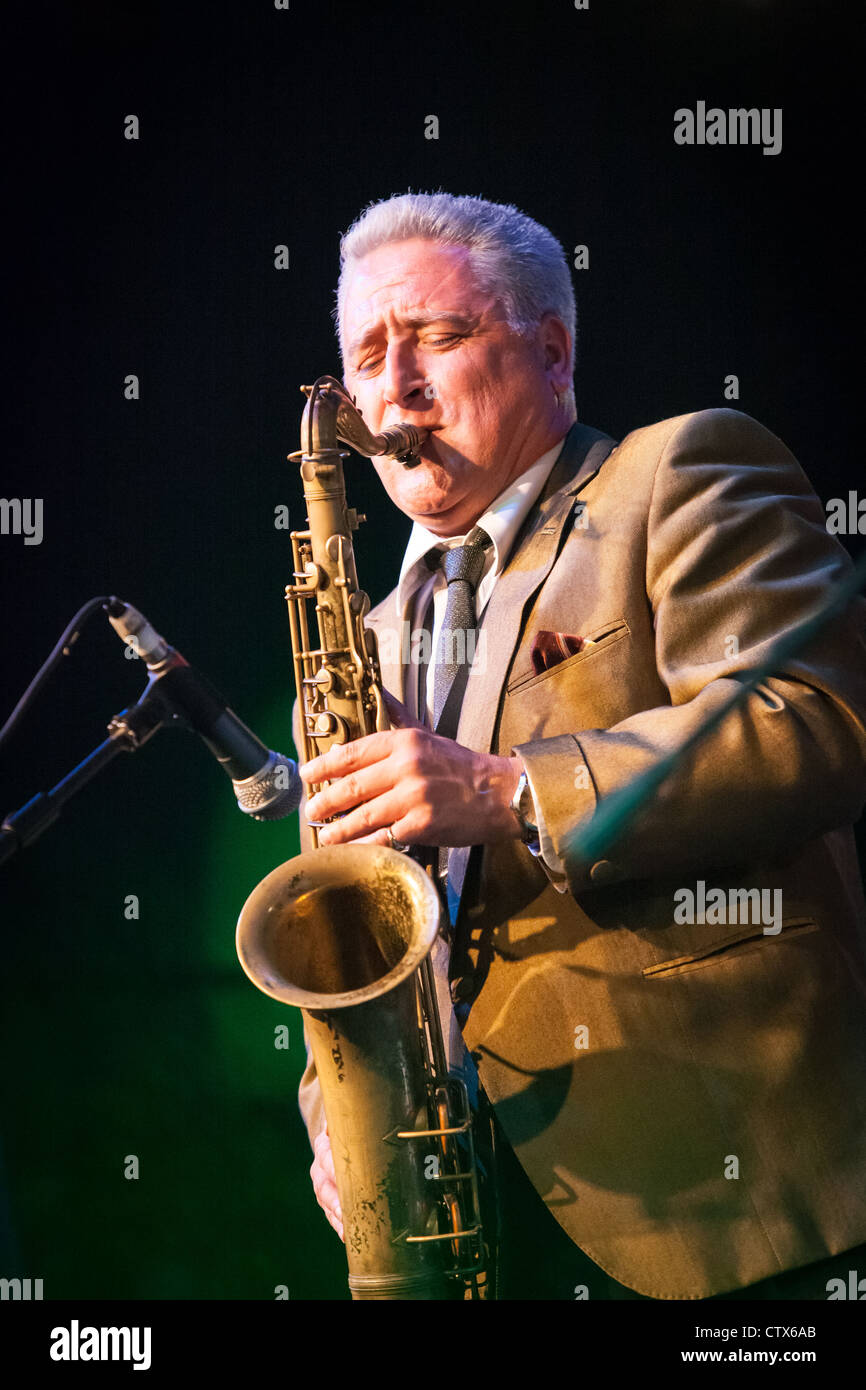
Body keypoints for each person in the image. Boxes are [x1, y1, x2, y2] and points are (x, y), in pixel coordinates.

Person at [292, 191, 866, 1300]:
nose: (392, 387)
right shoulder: (364, 637)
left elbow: (813, 715)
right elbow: (354, 928)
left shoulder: (679, 471)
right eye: (366, 356)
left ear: (550, 351)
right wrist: (338, 1113)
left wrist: (510, 790)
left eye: (437, 338)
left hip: (726, 1196)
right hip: (478, 1213)